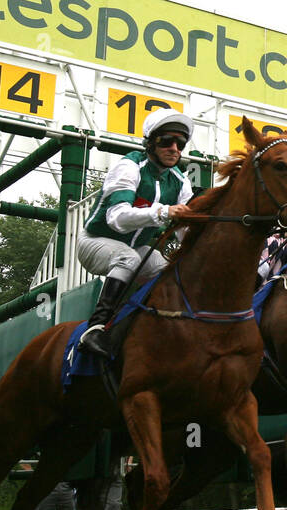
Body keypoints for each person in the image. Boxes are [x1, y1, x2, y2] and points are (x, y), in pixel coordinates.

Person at [77, 109, 197, 359]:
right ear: (150, 143)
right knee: (128, 259)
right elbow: (117, 218)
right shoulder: (129, 166)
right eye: (166, 141)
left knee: (166, 270)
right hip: (95, 242)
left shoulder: (180, 181)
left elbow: (185, 231)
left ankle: (145, 325)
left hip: (136, 248)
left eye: (180, 143)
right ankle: (95, 328)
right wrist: (163, 212)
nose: (174, 148)